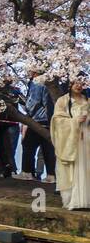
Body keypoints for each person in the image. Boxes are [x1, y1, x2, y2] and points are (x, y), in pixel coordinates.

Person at [51, 77, 90, 209]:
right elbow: (57, 120)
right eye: (76, 82)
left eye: (82, 83)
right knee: (71, 170)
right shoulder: (63, 101)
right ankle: (73, 200)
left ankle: (86, 199)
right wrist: (75, 121)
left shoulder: (87, 100)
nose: (79, 85)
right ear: (70, 84)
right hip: (71, 140)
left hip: (87, 140)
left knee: (86, 168)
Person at [20, 75, 55, 180]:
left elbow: (33, 101)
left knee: (28, 146)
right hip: (48, 120)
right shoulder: (48, 81)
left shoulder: (37, 82)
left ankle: (27, 172)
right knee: (48, 149)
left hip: (37, 118)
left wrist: (26, 107)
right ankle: (51, 175)